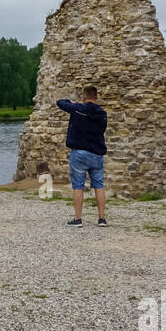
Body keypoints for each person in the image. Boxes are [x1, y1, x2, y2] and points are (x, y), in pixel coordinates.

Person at [58, 85, 107, 228]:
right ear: (96, 97)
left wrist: (72, 103)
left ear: (84, 96)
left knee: (78, 186)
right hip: (97, 154)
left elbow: (60, 103)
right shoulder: (102, 113)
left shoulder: (78, 109)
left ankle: (78, 219)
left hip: (79, 153)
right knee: (99, 185)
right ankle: (101, 218)